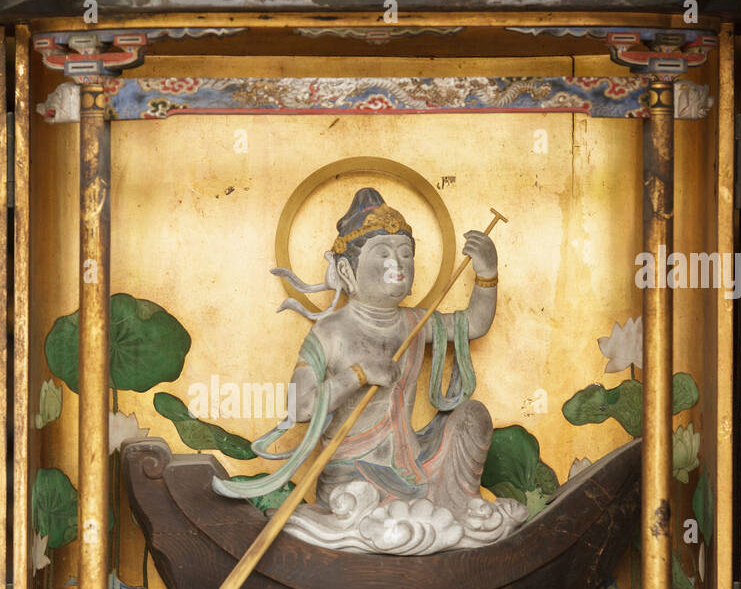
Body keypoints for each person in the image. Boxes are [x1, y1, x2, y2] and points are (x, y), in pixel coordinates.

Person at [214, 187, 525, 553]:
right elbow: (299, 407)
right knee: (361, 501)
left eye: (406, 254)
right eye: (383, 254)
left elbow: (473, 324)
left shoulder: (414, 321)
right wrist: (358, 375)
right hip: (355, 470)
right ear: (347, 269)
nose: (398, 265)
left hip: (412, 462)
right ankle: (419, 516)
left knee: (472, 416)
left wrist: (487, 273)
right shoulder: (331, 333)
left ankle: (461, 504)